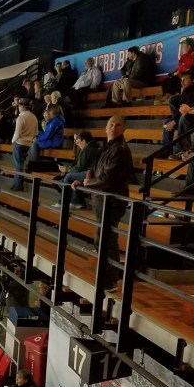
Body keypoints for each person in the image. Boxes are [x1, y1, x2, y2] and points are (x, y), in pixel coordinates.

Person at [71, 116, 132, 287]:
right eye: (111, 125)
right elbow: (95, 171)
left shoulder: (120, 149)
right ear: (106, 128)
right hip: (101, 199)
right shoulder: (107, 147)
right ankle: (106, 278)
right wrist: (84, 180)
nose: (113, 128)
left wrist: (87, 183)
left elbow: (107, 178)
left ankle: (109, 280)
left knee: (106, 240)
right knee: (102, 240)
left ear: (124, 129)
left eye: (118, 125)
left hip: (111, 200)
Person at [162, 70, 194, 155]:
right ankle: (166, 151)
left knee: (183, 117)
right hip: (185, 116)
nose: (182, 83)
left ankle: (181, 150)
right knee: (166, 122)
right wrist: (174, 120)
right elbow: (182, 109)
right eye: (181, 80)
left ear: (193, 80)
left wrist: (175, 121)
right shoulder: (186, 90)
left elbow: (190, 110)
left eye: (185, 80)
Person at [57, 131, 100, 209]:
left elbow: (79, 168)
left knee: (69, 177)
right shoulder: (87, 148)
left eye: (77, 140)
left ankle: (65, 202)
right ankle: (79, 202)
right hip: (89, 172)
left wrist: (67, 169)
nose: (76, 143)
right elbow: (76, 165)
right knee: (60, 181)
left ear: (83, 140)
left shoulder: (88, 149)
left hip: (91, 173)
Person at [9, 98, 38, 191]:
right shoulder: (34, 117)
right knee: (21, 164)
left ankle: (18, 183)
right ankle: (16, 182)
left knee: (18, 164)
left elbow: (17, 132)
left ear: (21, 107)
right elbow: (36, 132)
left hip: (19, 143)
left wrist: (13, 141)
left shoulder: (21, 118)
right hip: (28, 144)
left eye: (19, 106)